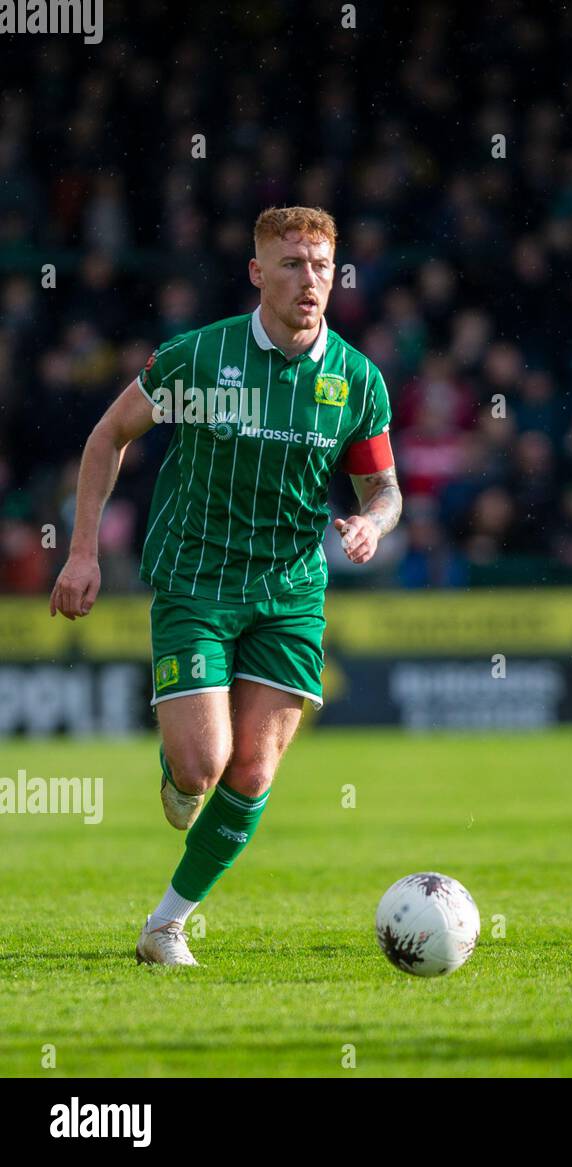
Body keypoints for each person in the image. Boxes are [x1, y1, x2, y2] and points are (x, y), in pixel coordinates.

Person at [49, 207, 403, 965]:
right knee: (201, 767)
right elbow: (108, 435)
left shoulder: (356, 379)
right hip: (198, 580)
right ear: (257, 272)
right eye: (291, 264)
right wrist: (82, 553)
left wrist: (373, 522)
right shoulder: (200, 358)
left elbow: (385, 488)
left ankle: (166, 924)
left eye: (321, 266)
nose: (310, 280)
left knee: (251, 768)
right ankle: (178, 769)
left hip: (290, 590)